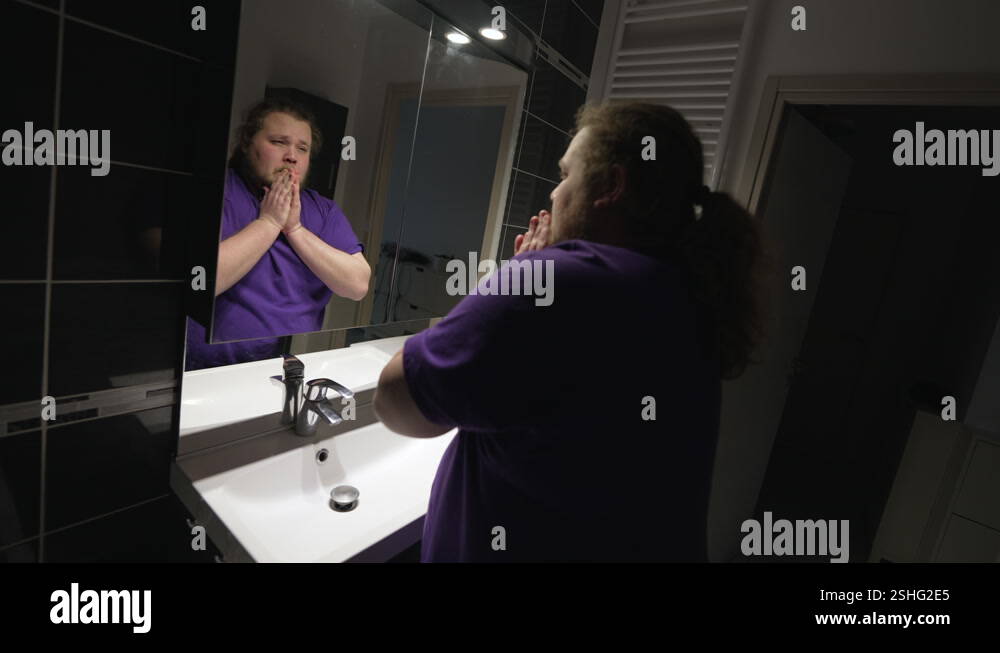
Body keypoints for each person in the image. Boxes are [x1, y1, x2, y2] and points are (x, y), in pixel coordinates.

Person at [373, 101, 772, 562]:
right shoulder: (686, 294)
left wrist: (520, 274)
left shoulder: (564, 282)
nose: (555, 195)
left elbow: (395, 401)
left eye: (566, 175)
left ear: (611, 186)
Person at [185, 98, 371, 370]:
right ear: (247, 144)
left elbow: (357, 285)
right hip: (201, 366)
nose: (292, 156)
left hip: (278, 365)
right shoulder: (219, 192)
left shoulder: (323, 210)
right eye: (279, 142)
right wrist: (269, 222)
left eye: (302, 148)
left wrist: (295, 229)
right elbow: (199, 283)